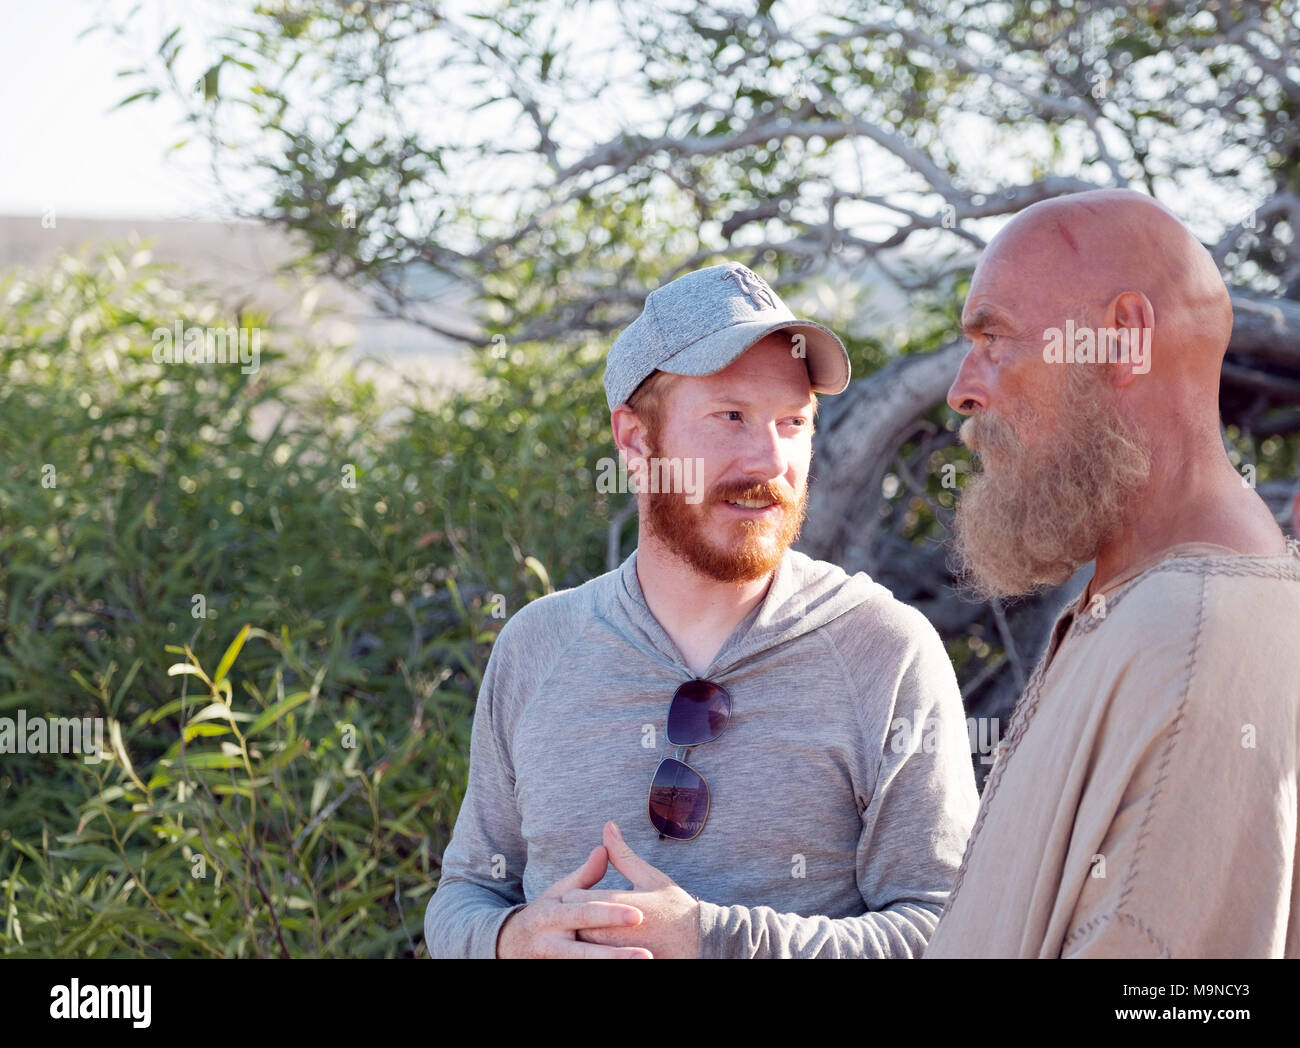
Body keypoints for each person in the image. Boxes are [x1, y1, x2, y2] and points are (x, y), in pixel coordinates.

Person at [424, 261, 978, 958]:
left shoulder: (883, 650)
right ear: (634, 441)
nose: (769, 459)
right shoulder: (537, 645)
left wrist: (712, 941)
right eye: (731, 417)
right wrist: (510, 939)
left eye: (792, 422)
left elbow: (947, 930)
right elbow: (467, 891)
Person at [927, 188, 1300, 958]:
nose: (963, 388)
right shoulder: (1145, 608)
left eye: (996, 338)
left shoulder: (1198, 643)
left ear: (1124, 339)